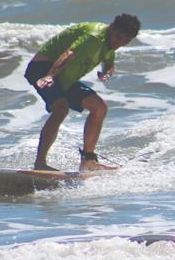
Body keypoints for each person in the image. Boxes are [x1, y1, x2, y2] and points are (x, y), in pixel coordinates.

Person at [24, 13, 140, 172]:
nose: (119, 42)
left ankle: (88, 160)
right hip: (43, 68)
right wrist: (50, 75)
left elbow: (109, 62)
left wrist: (106, 72)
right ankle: (40, 163)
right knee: (61, 108)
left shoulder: (109, 45)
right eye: (118, 37)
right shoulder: (93, 37)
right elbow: (68, 54)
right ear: (111, 28)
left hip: (64, 77)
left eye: (125, 40)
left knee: (99, 107)